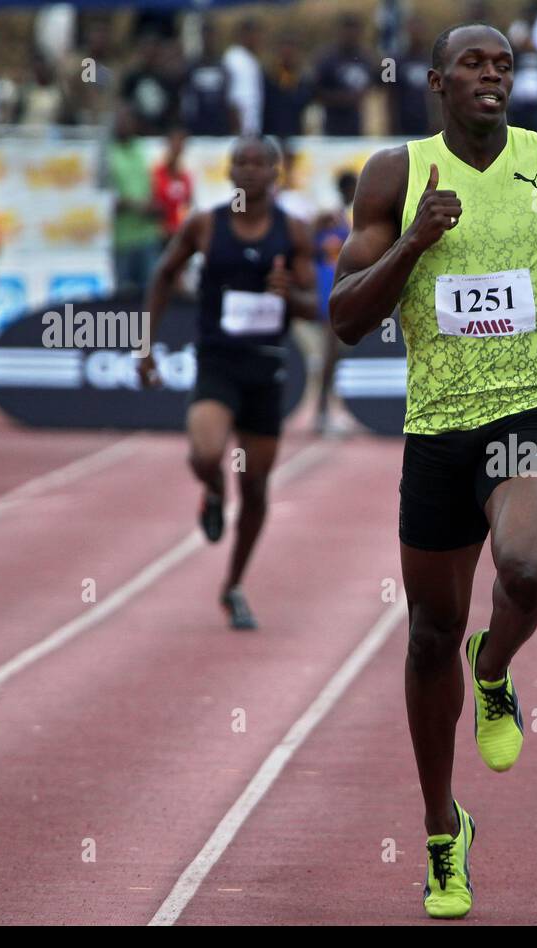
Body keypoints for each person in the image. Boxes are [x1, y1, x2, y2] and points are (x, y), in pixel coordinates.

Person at [327, 22, 537, 919]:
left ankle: (493, 670)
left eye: (503, 65)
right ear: (437, 82)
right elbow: (342, 314)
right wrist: (412, 243)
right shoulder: (395, 174)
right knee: (426, 638)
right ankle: (440, 832)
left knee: (528, 570)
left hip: (531, 407)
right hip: (437, 431)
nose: (492, 77)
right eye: (473, 65)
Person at [137, 136, 317, 629]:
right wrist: (145, 345)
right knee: (204, 453)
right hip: (218, 363)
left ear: (276, 174)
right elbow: (162, 274)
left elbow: (313, 306)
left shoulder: (292, 232)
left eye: (260, 162)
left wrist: (290, 294)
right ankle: (213, 492)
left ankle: (234, 584)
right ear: (230, 171)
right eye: (241, 161)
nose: (250, 169)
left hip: (267, 369)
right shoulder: (205, 225)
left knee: (256, 486)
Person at [313, 169, 357, 436]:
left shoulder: (347, 219)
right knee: (330, 354)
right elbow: (309, 248)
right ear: (346, 190)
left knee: (336, 355)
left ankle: (328, 409)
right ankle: (322, 413)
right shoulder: (328, 218)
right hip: (326, 292)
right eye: (354, 188)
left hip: (341, 292)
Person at [108, 109, 164, 299]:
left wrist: (153, 205)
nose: (124, 125)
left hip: (147, 235)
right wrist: (135, 205)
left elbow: (152, 184)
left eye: (127, 120)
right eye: (120, 120)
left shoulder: (141, 149)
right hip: (122, 238)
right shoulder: (108, 152)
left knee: (150, 294)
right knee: (123, 298)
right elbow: (103, 197)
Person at [316, 13, 376, 136]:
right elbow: (316, 92)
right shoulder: (327, 59)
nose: (351, 36)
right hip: (332, 126)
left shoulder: (366, 59)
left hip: (358, 125)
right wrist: (342, 98)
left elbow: (381, 83)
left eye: (355, 31)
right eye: (347, 31)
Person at [224, 18, 265, 136]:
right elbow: (232, 98)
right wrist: (237, 130)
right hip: (240, 130)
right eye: (254, 34)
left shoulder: (251, 59)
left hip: (253, 129)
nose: (257, 39)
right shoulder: (234, 58)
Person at [152, 127, 193, 243]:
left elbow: (187, 203)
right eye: (175, 141)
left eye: (181, 142)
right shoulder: (157, 173)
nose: (178, 146)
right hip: (160, 235)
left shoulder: (186, 176)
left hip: (180, 234)